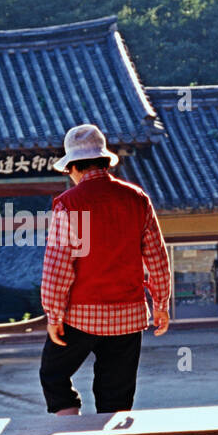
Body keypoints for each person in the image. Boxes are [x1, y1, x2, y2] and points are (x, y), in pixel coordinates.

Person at [39, 122, 171, 415]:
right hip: (129, 314)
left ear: (73, 167)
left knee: (53, 375)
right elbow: (157, 257)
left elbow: (58, 268)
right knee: (116, 392)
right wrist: (160, 304)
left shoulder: (68, 204)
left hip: (80, 314)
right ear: (104, 161)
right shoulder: (137, 199)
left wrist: (53, 315)